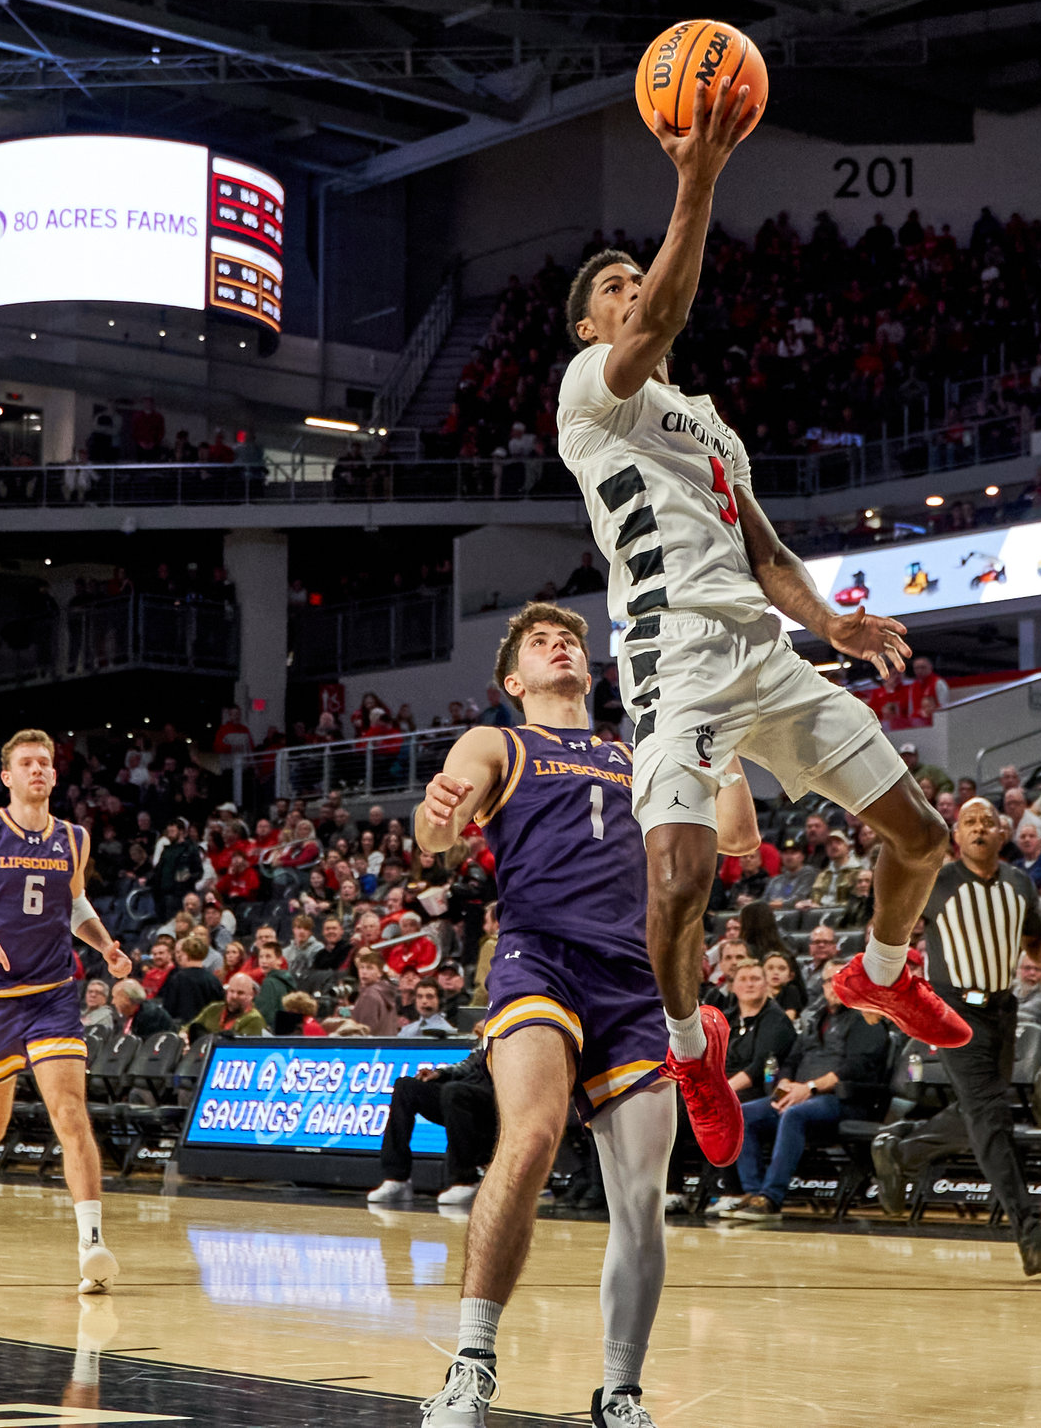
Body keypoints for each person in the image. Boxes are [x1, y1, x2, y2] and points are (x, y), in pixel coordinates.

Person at [550, 70, 970, 1206]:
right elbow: (659, 321)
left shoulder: (715, 428)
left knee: (921, 834)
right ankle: (692, 1045)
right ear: (593, 326)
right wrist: (696, 180)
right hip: (670, 651)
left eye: (637, 283)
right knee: (683, 874)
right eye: (614, 290)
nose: (632, 296)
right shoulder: (595, 386)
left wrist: (831, 617)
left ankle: (881, 973)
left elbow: (770, 554)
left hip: (765, 649)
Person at [411, 604, 696, 1428]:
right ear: (514, 680)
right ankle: (470, 1365)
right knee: (530, 1134)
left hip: (636, 978)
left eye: (565, 638)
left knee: (642, 1199)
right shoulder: (498, 743)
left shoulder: (634, 755)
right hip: (541, 955)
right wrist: (436, 813)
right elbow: (437, 831)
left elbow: (736, 838)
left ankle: (619, 1394)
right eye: (537, 643)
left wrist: (723, 753)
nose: (557, 644)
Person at [0, 730, 138, 1294]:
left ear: (54, 776)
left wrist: (105, 945)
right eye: (26, 763)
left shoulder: (75, 838)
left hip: (53, 994)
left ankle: (91, 1244)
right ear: (9, 776)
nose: (37, 769)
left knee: (70, 1113)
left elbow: (75, 904)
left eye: (45, 762)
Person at [867, 796, 1041, 1276]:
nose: (979, 828)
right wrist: (876, 991)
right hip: (954, 1010)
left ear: (1003, 833)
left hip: (1002, 1010)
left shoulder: (1020, 883)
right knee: (992, 1117)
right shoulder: (934, 878)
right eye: (969, 822)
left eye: (988, 822)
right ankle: (1030, 1234)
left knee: (978, 1115)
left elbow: (1035, 942)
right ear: (956, 836)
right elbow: (889, 927)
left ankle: (899, 1151)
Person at [728, 963, 892, 1222]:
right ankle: (753, 1193)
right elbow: (792, 1059)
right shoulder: (817, 1018)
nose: (835, 987)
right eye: (829, 981)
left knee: (794, 1114)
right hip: (801, 1095)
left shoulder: (865, 1018)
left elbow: (855, 1067)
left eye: (843, 980)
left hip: (845, 1099)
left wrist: (809, 1088)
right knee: (742, 1114)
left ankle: (771, 1198)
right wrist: (785, 1084)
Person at [368, 1050, 499, 1210]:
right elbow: (470, 1063)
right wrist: (440, 1073)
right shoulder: (490, 1031)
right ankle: (396, 1179)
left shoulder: (522, 1031)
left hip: (497, 1098)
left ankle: (465, 1180)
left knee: (454, 1091)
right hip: (469, 1087)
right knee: (405, 1086)